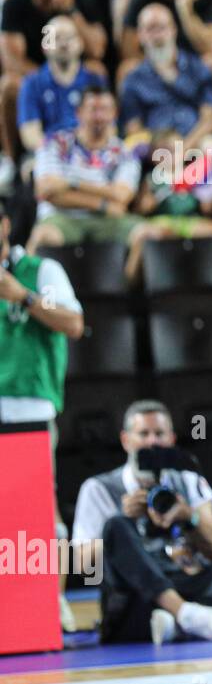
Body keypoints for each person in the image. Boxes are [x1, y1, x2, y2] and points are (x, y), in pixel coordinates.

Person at [70, 399, 212, 644]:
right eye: (143, 434)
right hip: (137, 594)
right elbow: (85, 567)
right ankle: (185, 615)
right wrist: (126, 523)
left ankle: (178, 621)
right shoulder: (99, 488)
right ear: (126, 440)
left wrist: (189, 517)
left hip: (188, 578)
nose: (152, 442)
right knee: (115, 526)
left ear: (171, 440)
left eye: (159, 434)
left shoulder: (188, 480)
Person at [0, 191, 84, 631]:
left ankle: (57, 602)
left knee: (41, 513)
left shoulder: (41, 269)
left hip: (27, 406)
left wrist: (24, 297)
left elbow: (73, 324)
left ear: (5, 226)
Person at [120, 3, 212, 263]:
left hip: (194, 141)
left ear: (174, 30)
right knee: (129, 151)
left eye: (162, 27)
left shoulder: (197, 67)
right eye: (149, 29)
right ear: (141, 36)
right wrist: (164, 146)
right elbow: (133, 131)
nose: (157, 35)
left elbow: (211, 117)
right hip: (157, 145)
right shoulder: (134, 78)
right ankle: (153, 204)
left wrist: (184, 147)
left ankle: (207, 204)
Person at [27, 84, 148, 282]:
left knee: (145, 234)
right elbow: (46, 191)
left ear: (115, 114)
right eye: (93, 109)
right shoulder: (55, 143)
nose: (99, 116)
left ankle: (124, 297)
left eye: (105, 110)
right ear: (79, 113)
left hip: (107, 222)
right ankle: (28, 303)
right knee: (42, 237)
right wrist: (101, 203)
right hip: (62, 219)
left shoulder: (124, 152)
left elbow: (122, 195)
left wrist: (70, 183)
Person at [0, 0, 108, 163]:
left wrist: (71, 11)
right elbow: (11, 61)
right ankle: (12, 161)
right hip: (37, 74)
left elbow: (97, 50)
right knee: (9, 85)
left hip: (76, 70)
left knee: (98, 71)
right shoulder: (15, 4)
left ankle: (97, 147)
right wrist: (50, 78)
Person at [17, 15, 96, 154]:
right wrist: (58, 153)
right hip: (49, 153)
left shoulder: (95, 80)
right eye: (57, 38)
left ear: (81, 44)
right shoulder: (31, 84)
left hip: (90, 152)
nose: (63, 43)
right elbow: (30, 135)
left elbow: (108, 127)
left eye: (69, 37)